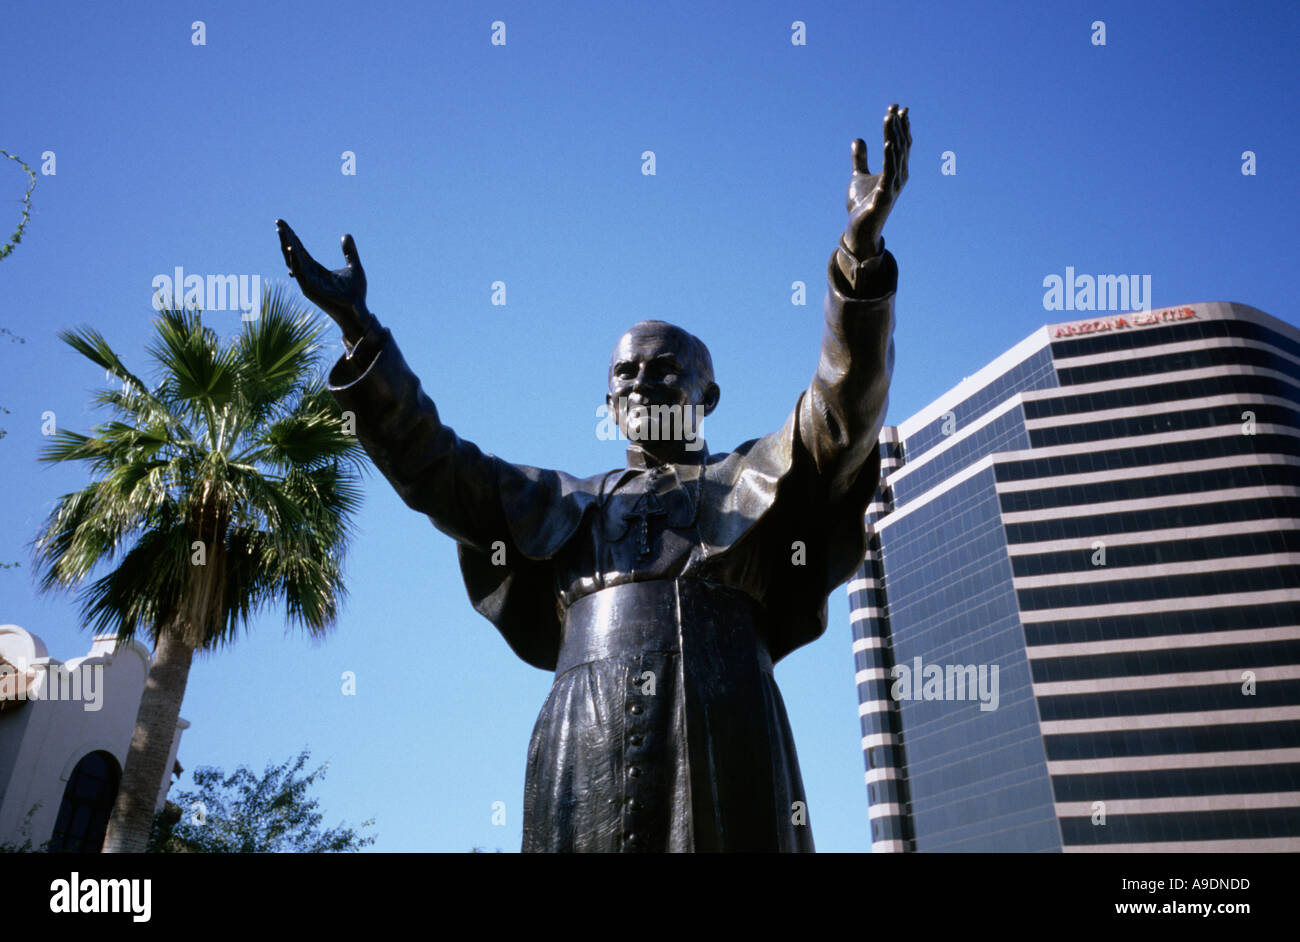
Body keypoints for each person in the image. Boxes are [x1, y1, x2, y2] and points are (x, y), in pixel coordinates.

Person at [276, 105, 910, 851]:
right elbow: (433, 464)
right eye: (625, 374)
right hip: (586, 730)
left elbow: (845, 402)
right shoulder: (556, 501)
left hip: (724, 714)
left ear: (707, 395)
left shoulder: (759, 474)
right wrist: (361, 333)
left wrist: (858, 260)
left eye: (666, 371)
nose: (644, 384)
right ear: (609, 402)